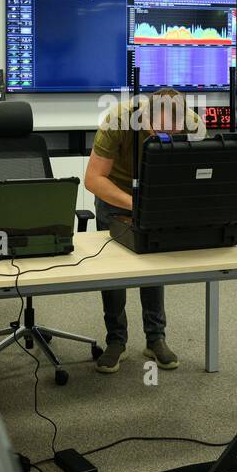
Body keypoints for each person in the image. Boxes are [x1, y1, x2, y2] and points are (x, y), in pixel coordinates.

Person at [84, 88, 200, 373]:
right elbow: (93, 179)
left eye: (171, 133)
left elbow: (195, 171)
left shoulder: (194, 124)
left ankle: (155, 338)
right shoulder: (117, 121)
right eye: (157, 132)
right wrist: (136, 203)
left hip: (156, 195)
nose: (164, 138)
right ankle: (116, 341)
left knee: (153, 265)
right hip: (115, 196)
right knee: (113, 273)